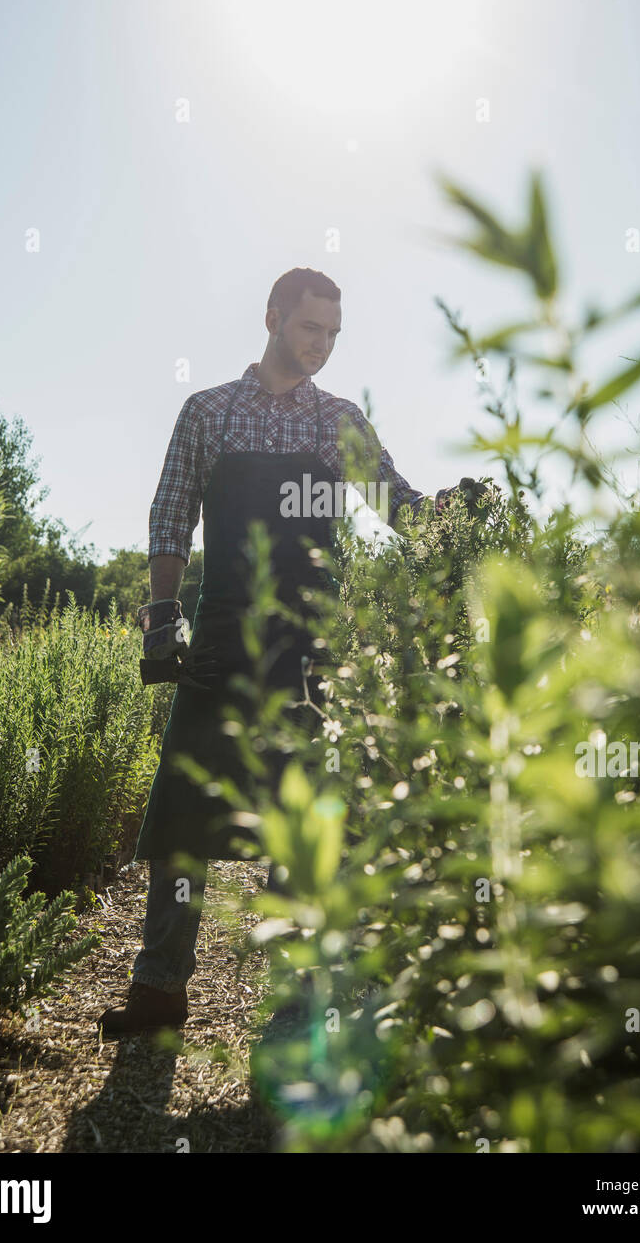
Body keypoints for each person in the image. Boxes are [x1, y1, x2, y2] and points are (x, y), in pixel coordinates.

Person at [98, 267, 483, 1035]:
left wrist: (452, 510)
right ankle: (158, 992)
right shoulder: (207, 412)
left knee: (298, 820)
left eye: (333, 335)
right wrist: (159, 623)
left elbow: (398, 507)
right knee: (184, 817)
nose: (322, 346)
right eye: (311, 328)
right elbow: (170, 519)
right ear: (273, 317)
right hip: (219, 635)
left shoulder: (340, 420)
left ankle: (292, 1010)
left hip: (311, 643)